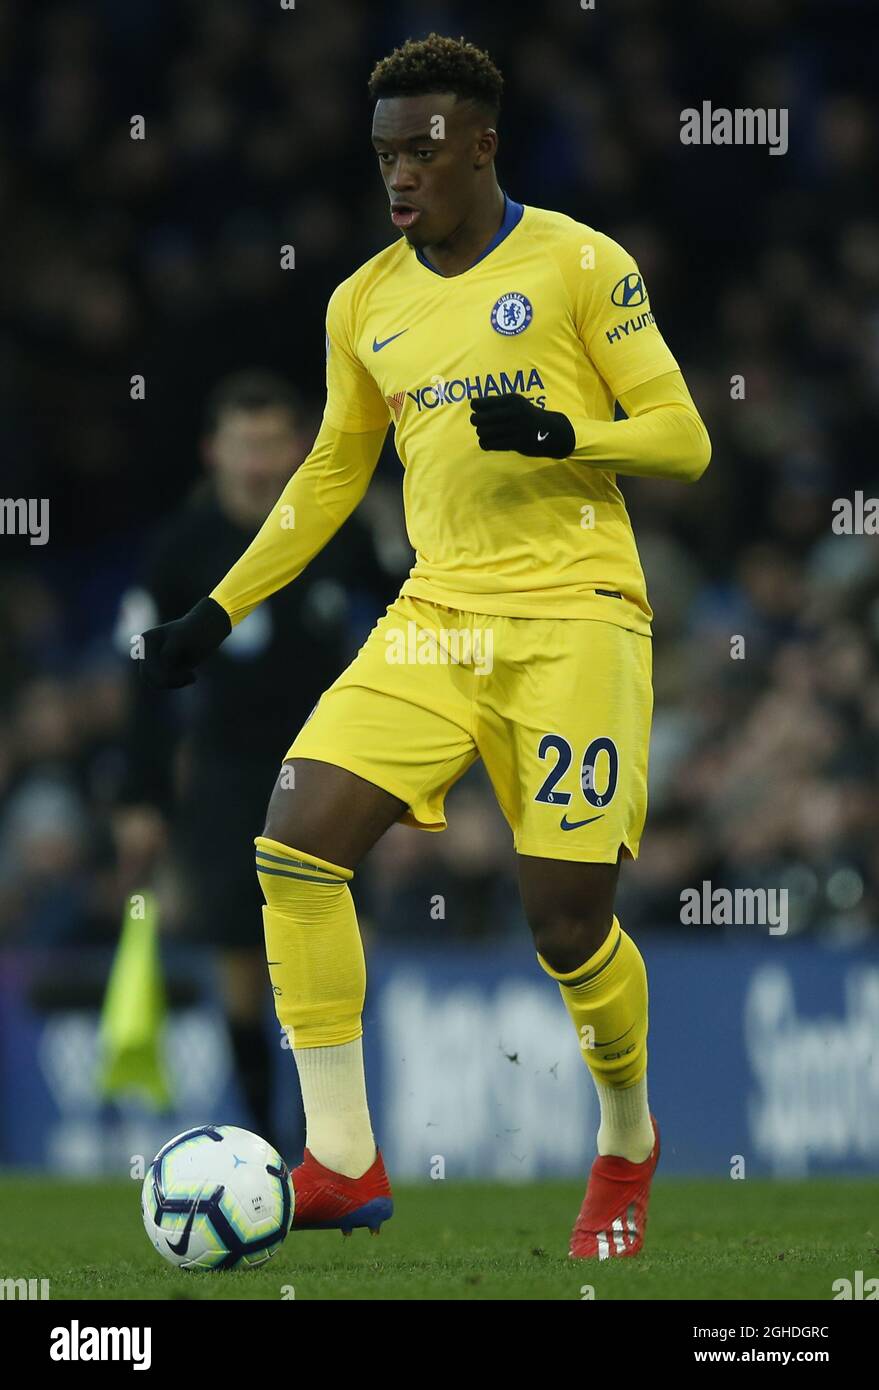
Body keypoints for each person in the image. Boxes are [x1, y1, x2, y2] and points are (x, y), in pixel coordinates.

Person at [137, 34, 710, 1259]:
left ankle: (625, 1139)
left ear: (482, 145)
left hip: (576, 619)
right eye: (386, 153)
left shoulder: (577, 261)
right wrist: (217, 611)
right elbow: (333, 471)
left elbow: (683, 437)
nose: (400, 175)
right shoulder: (363, 300)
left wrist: (565, 433)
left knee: (566, 927)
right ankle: (342, 1156)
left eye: (424, 150)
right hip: (437, 617)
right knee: (292, 840)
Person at [115, 369, 394, 1151]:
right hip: (229, 774)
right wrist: (141, 797)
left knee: (343, 941)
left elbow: (412, 606)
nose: (262, 461)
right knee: (242, 952)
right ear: (214, 452)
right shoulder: (179, 553)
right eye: (247, 444)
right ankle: (261, 1129)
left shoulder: (337, 530)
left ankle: (327, 1135)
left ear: (299, 447)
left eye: (275, 443)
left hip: (334, 764)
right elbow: (143, 682)